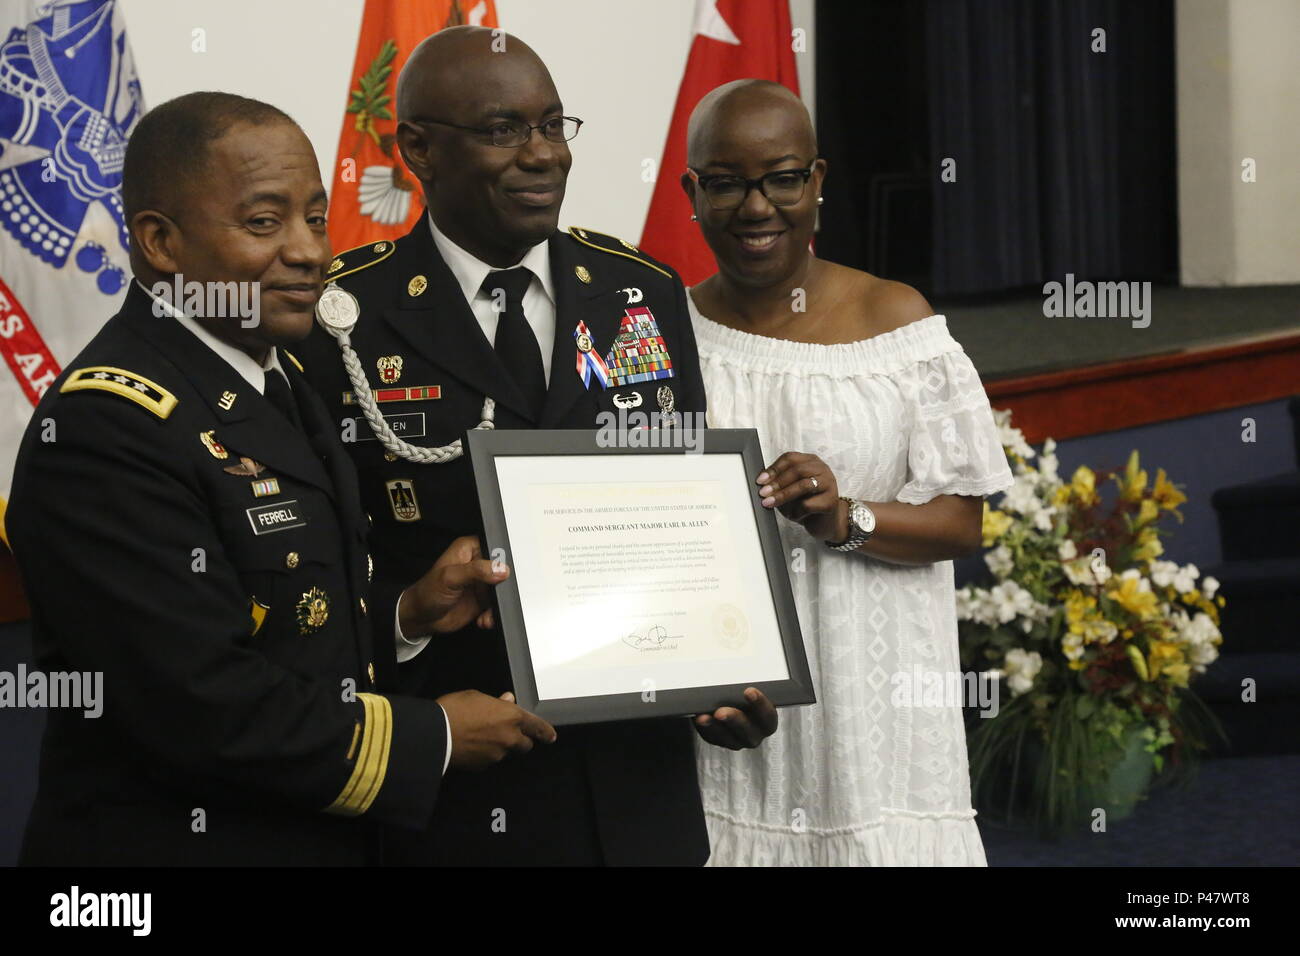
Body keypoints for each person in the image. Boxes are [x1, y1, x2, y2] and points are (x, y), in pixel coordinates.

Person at [5, 92, 554, 866]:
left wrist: (409, 613)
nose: (307, 251)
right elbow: (197, 705)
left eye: (316, 219)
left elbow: (297, 627)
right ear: (161, 242)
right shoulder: (108, 427)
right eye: (264, 222)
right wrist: (430, 737)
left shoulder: (276, 374)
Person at [296, 26, 777, 866]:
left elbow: (692, 523)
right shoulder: (340, 319)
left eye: (554, 125)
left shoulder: (641, 290)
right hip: (455, 787)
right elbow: (317, 573)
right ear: (418, 149)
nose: (543, 154)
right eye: (503, 130)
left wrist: (721, 679)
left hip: (636, 790)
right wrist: (405, 618)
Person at [680, 80, 1014, 865]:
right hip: (729, 717)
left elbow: (961, 524)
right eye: (725, 183)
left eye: (782, 179)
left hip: (876, 720)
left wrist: (845, 519)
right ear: (691, 192)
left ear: (818, 181)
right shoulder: (666, 336)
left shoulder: (897, 324)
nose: (756, 207)